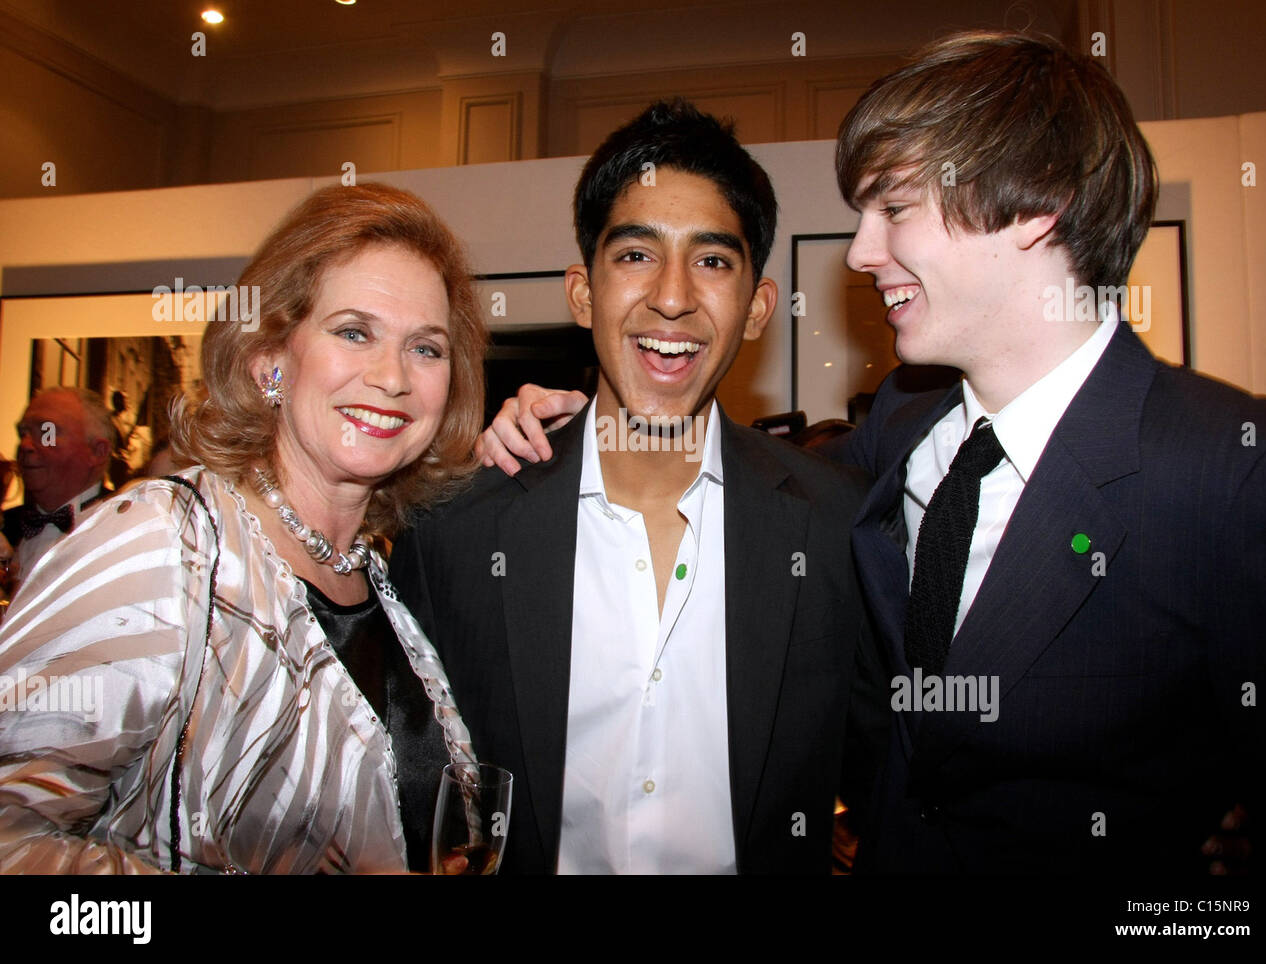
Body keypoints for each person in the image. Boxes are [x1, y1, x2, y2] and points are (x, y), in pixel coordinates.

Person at [479, 33, 1266, 874]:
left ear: (1037, 201)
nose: (863, 251)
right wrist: (576, 422)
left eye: (895, 208)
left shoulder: (1242, 476)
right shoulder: (903, 430)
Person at [391, 100, 878, 874]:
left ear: (757, 308)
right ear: (582, 294)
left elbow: (894, 789)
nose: (674, 297)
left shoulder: (838, 527)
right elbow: (407, 805)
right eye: (637, 255)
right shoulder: (457, 529)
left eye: (713, 260)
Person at [0, 182, 486, 874]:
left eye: (427, 349)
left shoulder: (382, 581)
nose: (393, 377)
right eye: (354, 332)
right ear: (270, 364)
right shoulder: (163, 546)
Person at [1, 387, 113, 593]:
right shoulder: (6, 527)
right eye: (23, 433)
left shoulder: (126, 529)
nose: (25, 445)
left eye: (47, 433)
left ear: (97, 452)